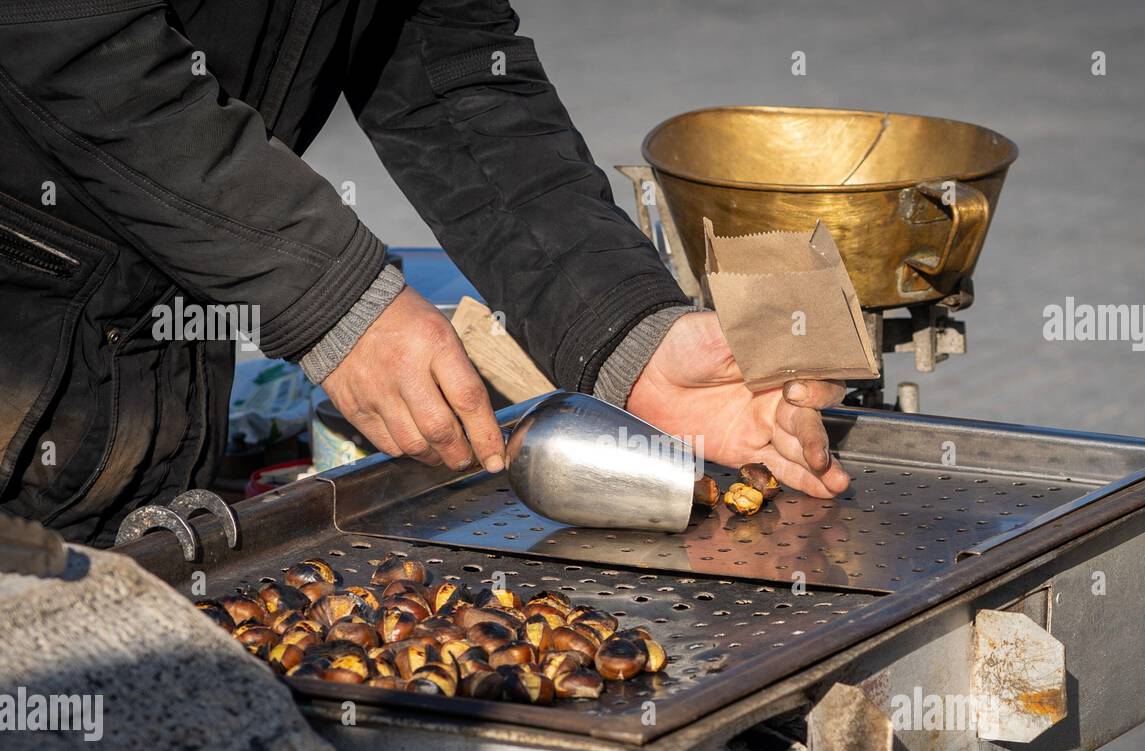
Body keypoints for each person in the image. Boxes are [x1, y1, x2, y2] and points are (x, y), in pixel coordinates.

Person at [0, 1, 849, 548]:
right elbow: (65, 39)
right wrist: (336, 300)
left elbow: (445, 61)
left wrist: (625, 331)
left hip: (153, 377)